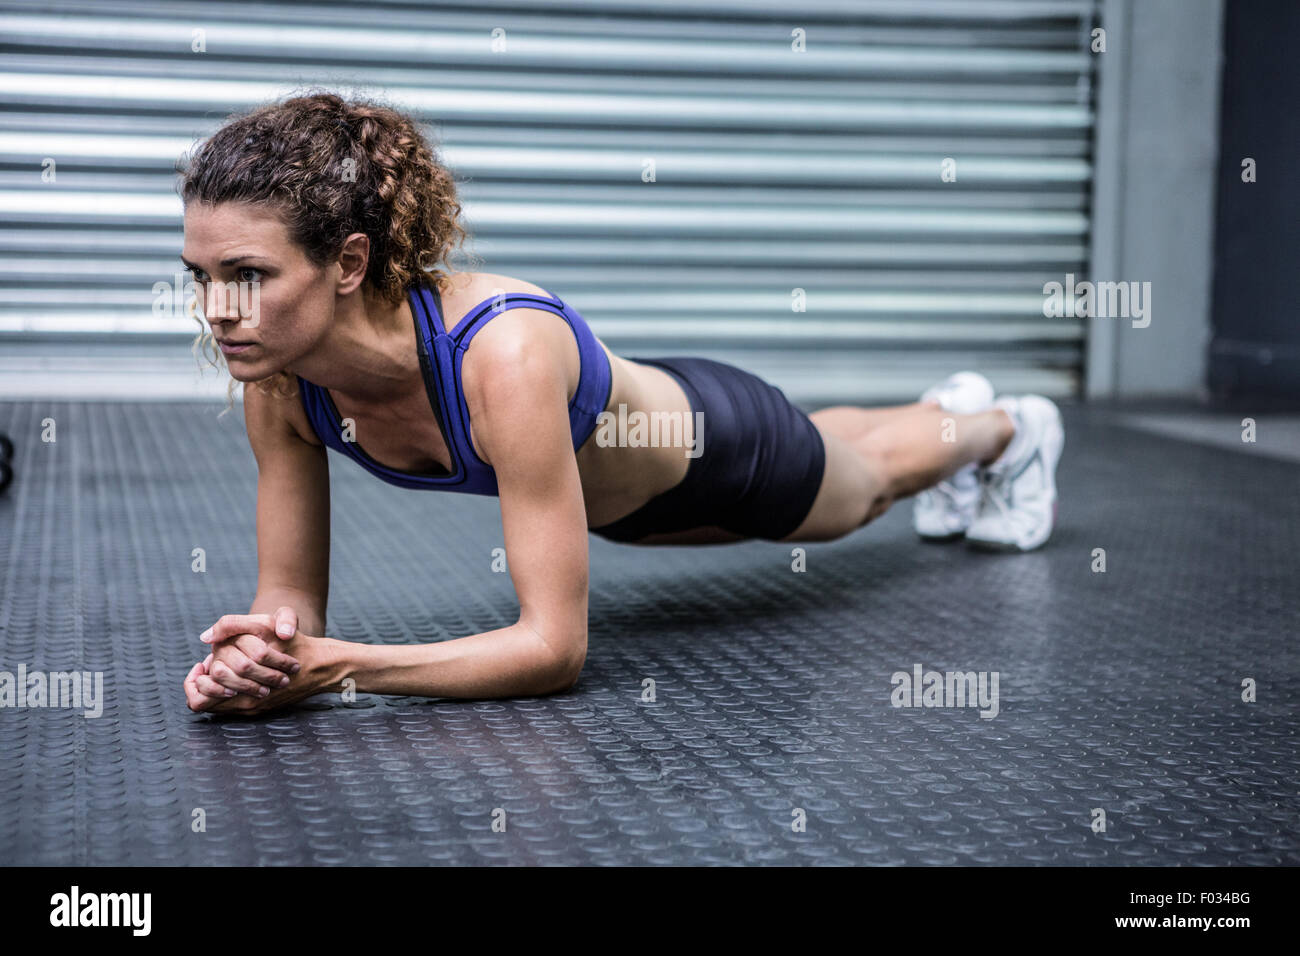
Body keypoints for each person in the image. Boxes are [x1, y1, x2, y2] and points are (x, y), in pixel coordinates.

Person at [177, 92, 1063, 716]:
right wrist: (257, 662)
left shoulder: (501, 354)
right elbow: (289, 604)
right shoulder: (283, 384)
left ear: (349, 262)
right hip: (617, 509)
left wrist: (337, 674)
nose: (219, 310)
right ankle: (950, 407)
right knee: (840, 438)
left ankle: (1005, 431)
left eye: (249, 275)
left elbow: (552, 650)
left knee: (863, 489)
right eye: (203, 277)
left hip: (723, 449)